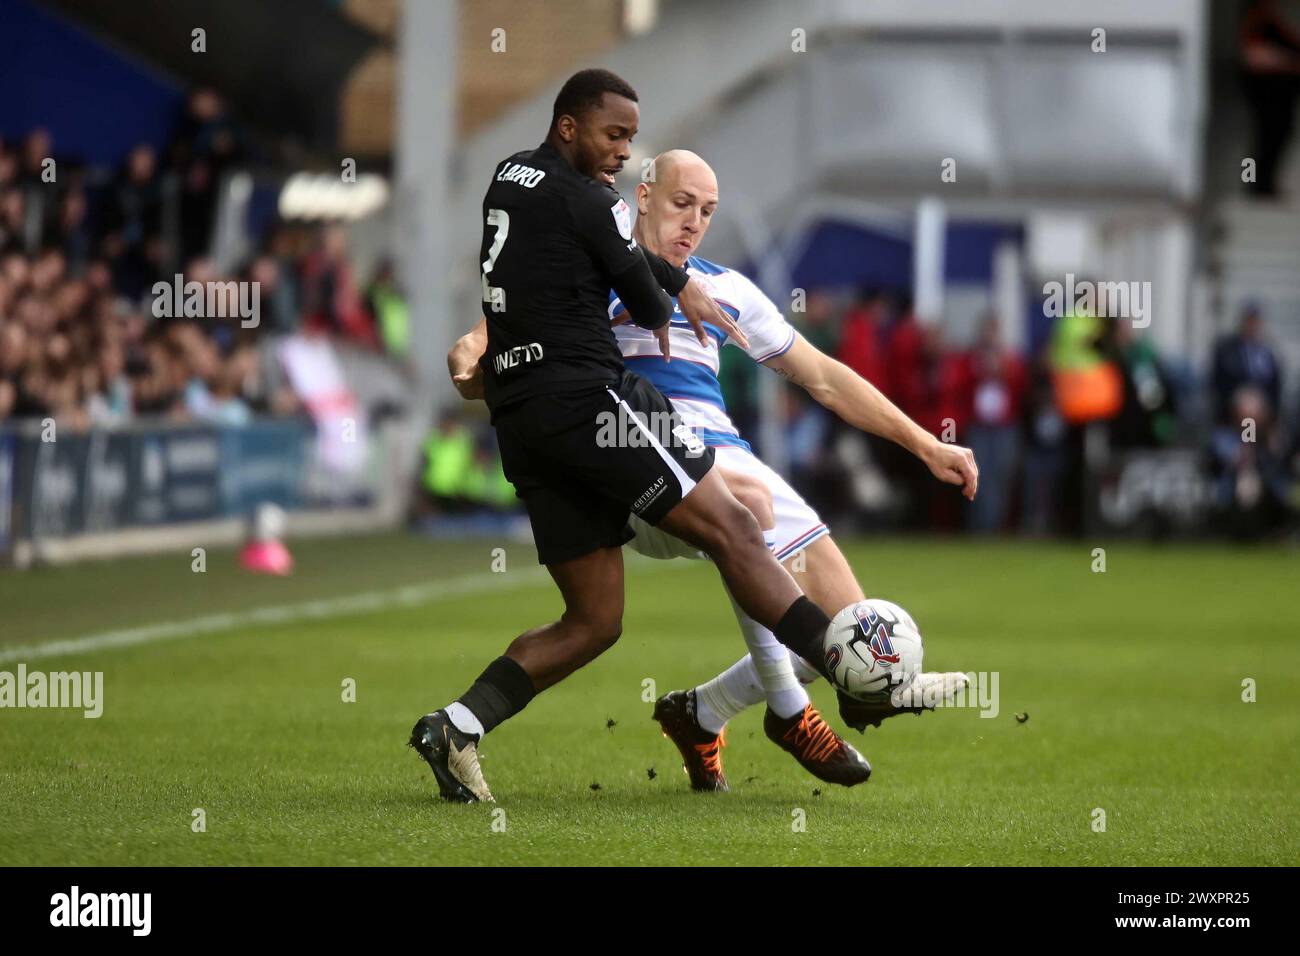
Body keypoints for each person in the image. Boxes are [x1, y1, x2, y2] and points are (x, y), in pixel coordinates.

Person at [413, 69, 863, 804]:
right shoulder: (592, 201)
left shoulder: (508, 177)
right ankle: (830, 675)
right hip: (593, 398)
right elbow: (651, 303)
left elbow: (548, 279)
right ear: (568, 127)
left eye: (630, 136)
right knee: (737, 525)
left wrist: (480, 343)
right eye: (613, 133)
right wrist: (675, 284)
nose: (624, 151)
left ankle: (456, 726)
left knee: (594, 620)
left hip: (522, 417)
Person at [608, 151, 975, 789]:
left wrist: (925, 445)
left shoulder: (726, 288)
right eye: (680, 203)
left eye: (707, 211)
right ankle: (791, 711)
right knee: (749, 507)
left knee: (848, 643)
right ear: (642, 196)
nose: (694, 221)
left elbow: (825, 378)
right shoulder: (598, 264)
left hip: (729, 456)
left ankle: (703, 713)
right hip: (637, 451)